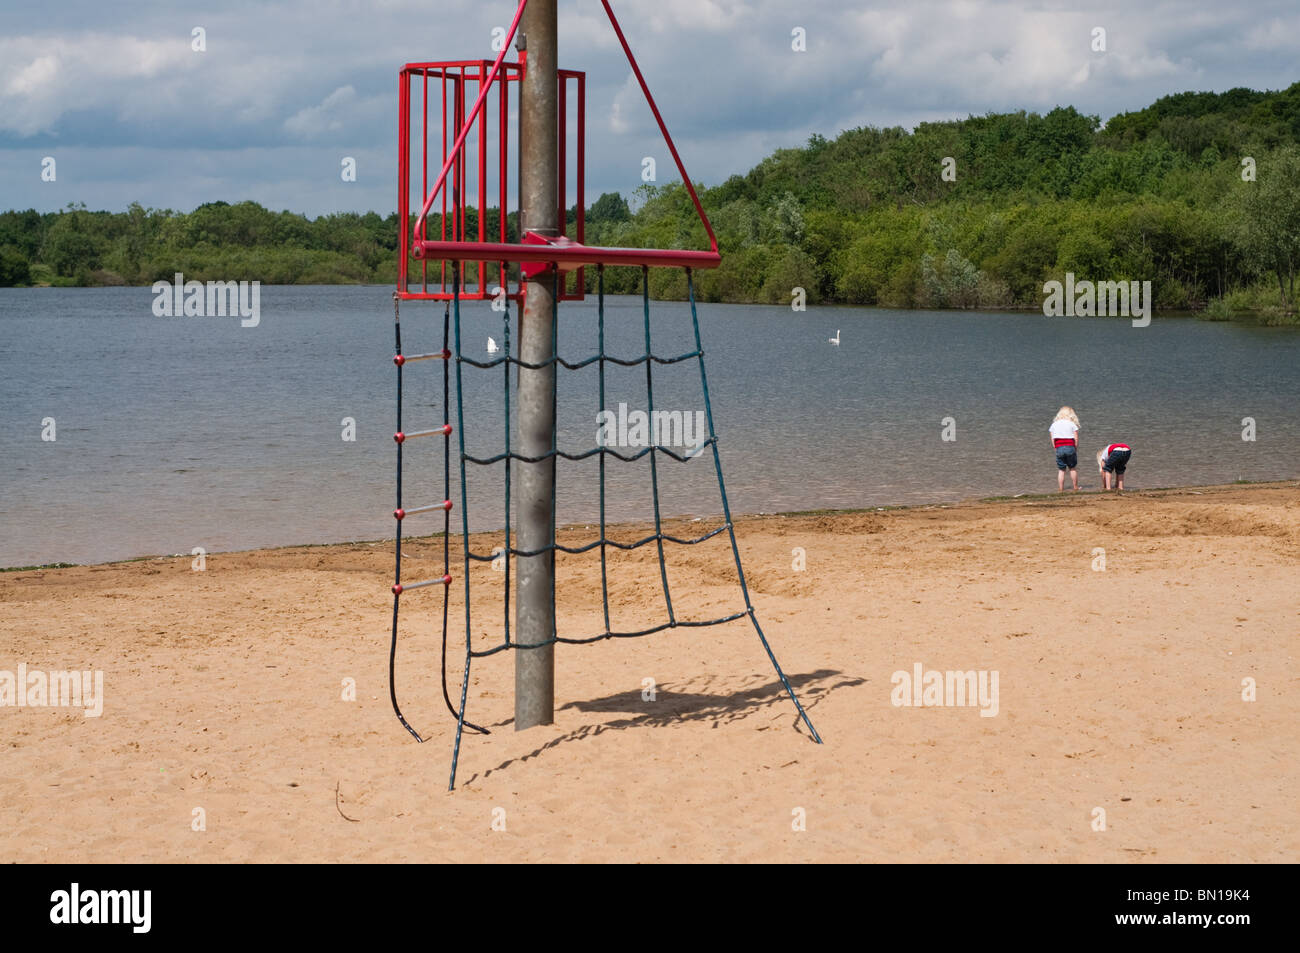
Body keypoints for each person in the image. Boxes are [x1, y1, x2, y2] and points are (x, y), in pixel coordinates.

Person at [1049, 406, 1081, 492]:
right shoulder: (1072, 424)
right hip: (1070, 447)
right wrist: (1075, 447)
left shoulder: (1054, 424)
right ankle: (1075, 487)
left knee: (1061, 470)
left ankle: (1061, 488)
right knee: (1072, 468)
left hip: (1059, 447)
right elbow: (1076, 437)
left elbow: (1052, 438)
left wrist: (1055, 448)